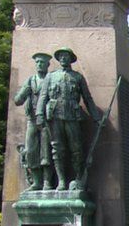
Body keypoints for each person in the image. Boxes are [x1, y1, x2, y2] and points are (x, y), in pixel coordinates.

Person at [36, 47, 101, 190]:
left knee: (76, 148)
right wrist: (39, 114)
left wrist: (96, 117)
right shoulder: (51, 76)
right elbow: (43, 96)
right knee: (56, 149)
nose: (63, 58)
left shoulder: (77, 77)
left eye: (66, 56)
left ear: (71, 59)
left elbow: (88, 99)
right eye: (61, 56)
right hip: (54, 115)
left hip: (72, 115)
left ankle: (78, 178)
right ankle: (61, 181)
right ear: (58, 59)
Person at [14, 52, 54, 190]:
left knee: (46, 151)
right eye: (37, 62)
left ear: (48, 65)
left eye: (42, 62)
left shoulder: (51, 79)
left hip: (47, 121)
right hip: (32, 120)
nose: (39, 65)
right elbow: (18, 100)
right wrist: (21, 94)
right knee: (31, 150)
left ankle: (47, 182)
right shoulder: (31, 80)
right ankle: (36, 182)